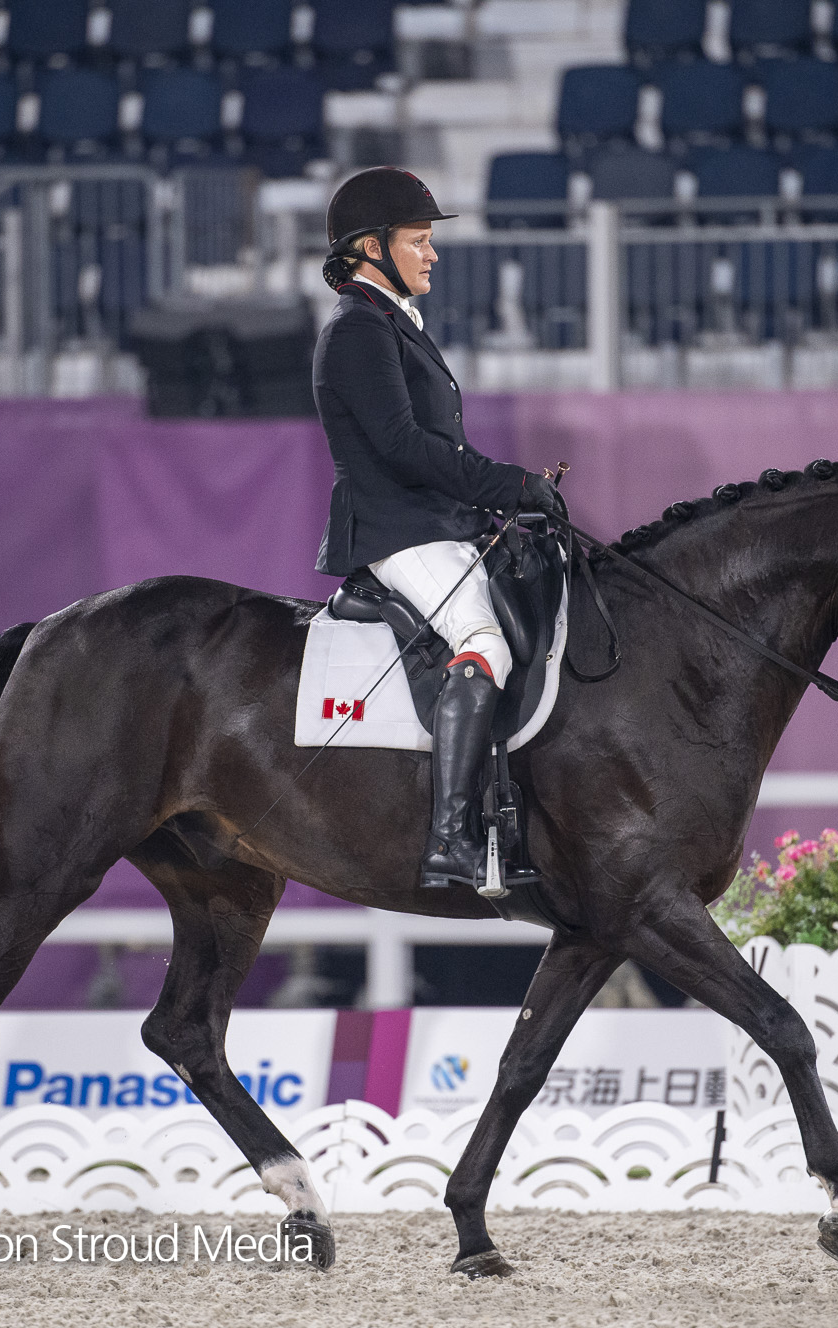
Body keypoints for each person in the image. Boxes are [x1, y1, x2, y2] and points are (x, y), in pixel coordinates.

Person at [312, 166, 567, 889]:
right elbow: (405, 447)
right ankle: (451, 837)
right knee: (482, 639)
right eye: (418, 241)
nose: (432, 254)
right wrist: (511, 483)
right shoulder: (359, 330)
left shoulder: (395, 323)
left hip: (437, 523)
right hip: (397, 531)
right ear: (370, 247)